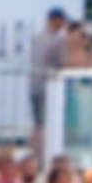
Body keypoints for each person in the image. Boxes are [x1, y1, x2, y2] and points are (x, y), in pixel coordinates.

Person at [28, 8, 69, 140]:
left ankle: (38, 146)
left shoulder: (36, 37)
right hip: (49, 85)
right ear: (55, 20)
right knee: (50, 120)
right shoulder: (58, 40)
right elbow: (61, 62)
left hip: (35, 84)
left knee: (38, 122)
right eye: (62, 21)